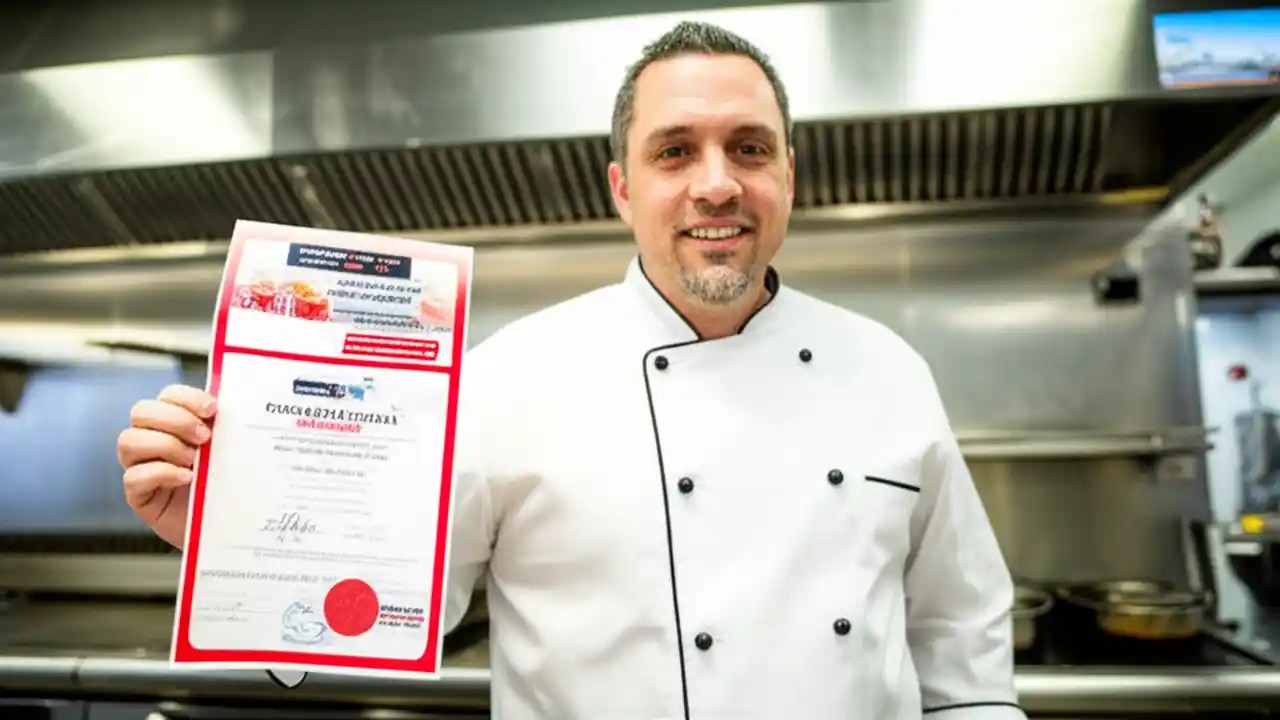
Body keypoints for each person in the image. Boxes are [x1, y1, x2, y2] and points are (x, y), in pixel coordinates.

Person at [117, 21, 1024, 720]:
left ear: (788, 171)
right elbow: (369, 613)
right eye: (675, 151)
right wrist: (234, 542)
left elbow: (960, 642)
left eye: (749, 147)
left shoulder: (890, 371)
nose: (717, 184)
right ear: (622, 187)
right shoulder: (508, 377)